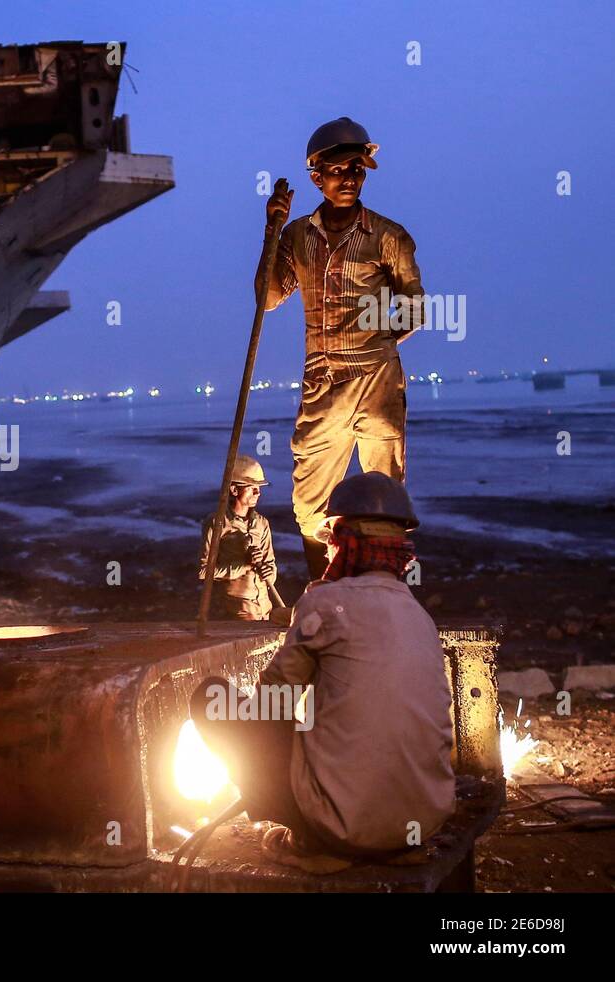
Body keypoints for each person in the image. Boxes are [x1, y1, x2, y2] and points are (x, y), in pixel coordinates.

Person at [189, 472, 452, 873]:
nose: (328, 555)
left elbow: (268, 707)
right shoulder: (421, 618)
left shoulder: (324, 603)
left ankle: (312, 839)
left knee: (212, 700)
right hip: (424, 821)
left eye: (330, 544)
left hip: (342, 829)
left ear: (343, 543)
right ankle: (389, 838)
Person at [263, 117, 424, 579]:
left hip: (377, 378)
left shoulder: (389, 236)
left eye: (358, 170)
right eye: (340, 171)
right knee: (310, 496)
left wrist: (372, 341)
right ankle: (323, 588)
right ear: (317, 177)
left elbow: (414, 308)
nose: (351, 179)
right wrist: (270, 233)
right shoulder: (296, 236)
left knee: (384, 486)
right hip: (322, 379)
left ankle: (387, 589)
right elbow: (268, 298)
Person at [198, 454, 277, 620]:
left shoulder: (262, 524)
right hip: (237, 610)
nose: (258, 492)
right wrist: (244, 565)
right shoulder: (217, 523)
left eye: (259, 488)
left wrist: (269, 572)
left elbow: (271, 565)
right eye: (252, 487)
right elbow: (204, 572)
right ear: (234, 490)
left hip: (265, 608)